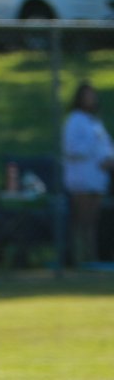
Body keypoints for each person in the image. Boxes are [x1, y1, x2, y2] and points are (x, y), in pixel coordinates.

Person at [61, 81, 114, 266]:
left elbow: (106, 145)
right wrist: (93, 148)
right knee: (81, 221)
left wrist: (109, 159)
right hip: (81, 179)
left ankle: (92, 258)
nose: (90, 98)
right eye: (87, 95)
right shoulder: (74, 120)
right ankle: (79, 258)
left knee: (93, 222)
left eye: (92, 94)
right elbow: (72, 149)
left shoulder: (95, 121)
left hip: (98, 179)